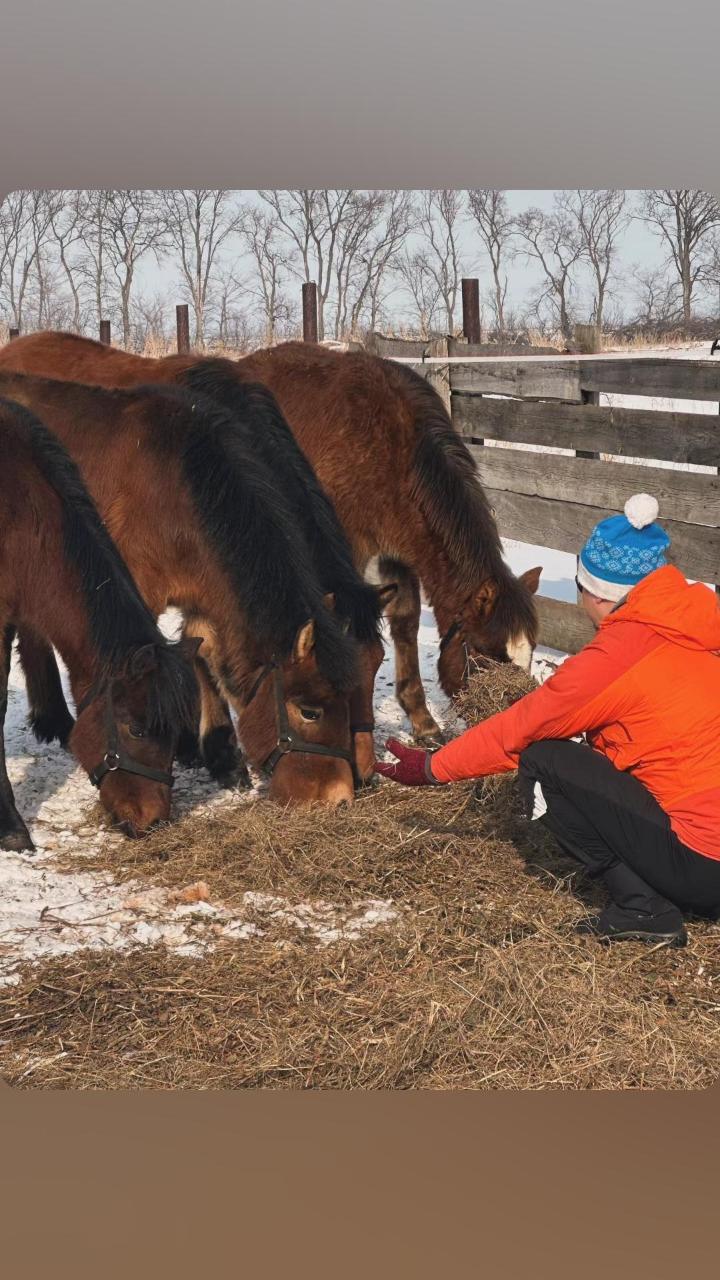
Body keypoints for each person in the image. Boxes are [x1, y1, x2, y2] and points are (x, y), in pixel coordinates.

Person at [376, 494, 720, 947]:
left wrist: (432, 768)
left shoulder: (614, 659)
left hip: (703, 866)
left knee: (544, 760)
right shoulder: (699, 624)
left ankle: (642, 907)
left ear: (595, 593)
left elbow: (521, 728)